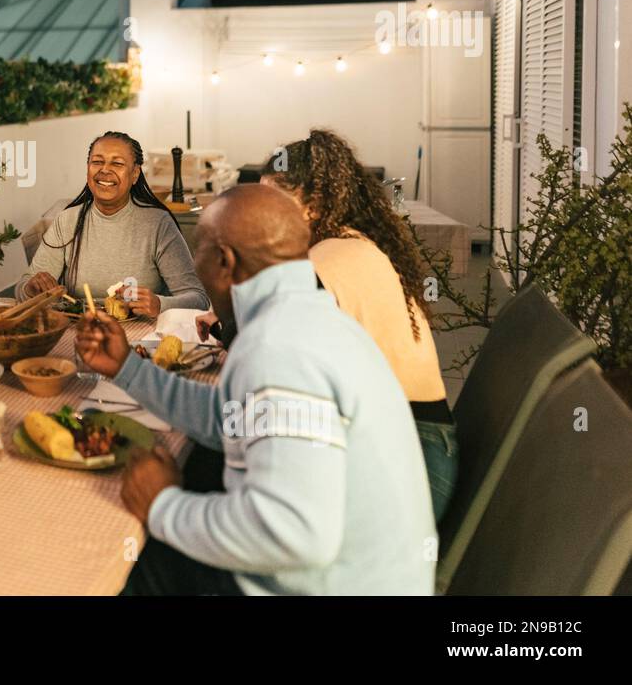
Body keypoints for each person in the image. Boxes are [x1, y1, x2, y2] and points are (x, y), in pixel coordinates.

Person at [75, 184, 435, 595]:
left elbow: (295, 533)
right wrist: (128, 368)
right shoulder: (313, 317)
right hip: (369, 576)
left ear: (225, 261)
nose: (197, 267)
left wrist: (162, 505)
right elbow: (231, 415)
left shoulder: (277, 346)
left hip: (328, 584)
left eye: (200, 254)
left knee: (115, 567)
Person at [260, 129, 457, 523]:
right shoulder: (353, 244)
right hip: (419, 443)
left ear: (312, 205)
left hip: (412, 461)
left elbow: (269, 348)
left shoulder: (329, 260)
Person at [15, 131, 208, 316]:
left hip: (142, 339)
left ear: (134, 174)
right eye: (97, 162)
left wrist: (160, 304)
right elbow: (22, 288)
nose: (105, 170)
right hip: (81, 331)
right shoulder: (67, 220)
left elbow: (198, 298)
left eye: (117, 163)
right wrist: (32, 288)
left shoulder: (157, 224)